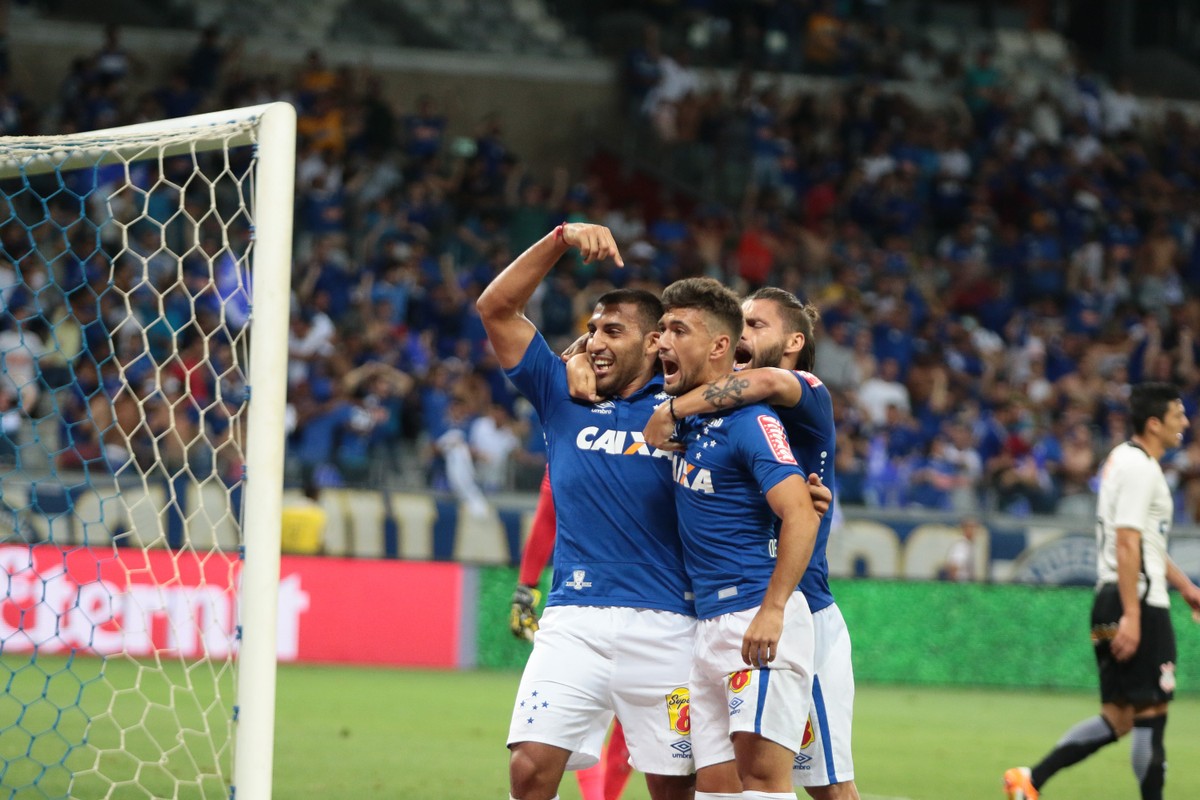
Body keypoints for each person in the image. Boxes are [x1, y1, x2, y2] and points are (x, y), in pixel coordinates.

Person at [478, 222, 695, 800]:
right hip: (573, 621)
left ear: (654, 344)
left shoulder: (689, 408)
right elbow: (497, 308)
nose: (595, 340)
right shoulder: (559, 393)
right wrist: (558, 239)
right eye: (591, 329)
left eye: (613, 330)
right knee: (528, 769)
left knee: (675, 786)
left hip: (669, 624)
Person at [644, 286, 861, 800]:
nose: (742, 333)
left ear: (793, 342)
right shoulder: (707, 415)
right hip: (728, 614)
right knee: (723, 782)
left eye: (756, 325)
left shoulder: (801, 392)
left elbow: (759, 383)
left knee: (826, 787)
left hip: (794, 605)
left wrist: (670, 412)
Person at [1003, 382, 1200, 800]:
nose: (1185, 421)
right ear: (1153, 422)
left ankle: (1030, 780)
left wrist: (1185, 587)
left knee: (1119, 716)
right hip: (1138, 601)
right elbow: (1128, 541)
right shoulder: (1140, 468)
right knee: (1152, 715)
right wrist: (1133, 613)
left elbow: (1144, 543)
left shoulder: (1123, 462)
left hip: (1114, 596)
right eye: (1178, 414)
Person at [510, 467, 633, 800]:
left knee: (669, 762)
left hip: (660, 607)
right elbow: (549, 512)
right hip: (580, 607)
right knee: (567, 726)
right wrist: (527, 587)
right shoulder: (570, 427)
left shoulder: (673, 425)